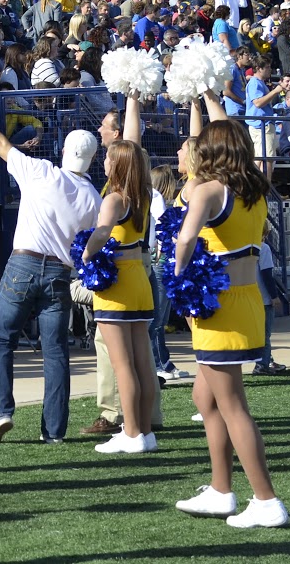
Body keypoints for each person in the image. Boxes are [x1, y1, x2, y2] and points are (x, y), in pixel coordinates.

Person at [171, 114, 288, 528]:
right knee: (205, 398)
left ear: (214, 150)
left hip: (217, 306)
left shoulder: (208, 191)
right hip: (246, 299)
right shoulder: (253, 189)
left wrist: (178, 281)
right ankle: (221, 491)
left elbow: (184, 239)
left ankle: (266, 500)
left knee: (233, 404)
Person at [0, 103, 100, 445]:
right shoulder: (94, 198)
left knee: (3, 339)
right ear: (92, 159)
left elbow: (1, 146)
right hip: (59, 273)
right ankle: (53, 431)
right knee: (56, 351)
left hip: (23, 265)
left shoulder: (41, 171)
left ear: (65, 151)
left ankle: (0, 413)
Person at [80, 136, 158, 455]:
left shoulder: (114, 198)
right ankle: (146, 431)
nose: (104, 162)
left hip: (117, 286)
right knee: (142, 362)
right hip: (139, 281)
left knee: (122, 365)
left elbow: (101, 233)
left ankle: (131, 432)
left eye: (109, 158)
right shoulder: (144, 196)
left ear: (120, 164)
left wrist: (85, 255)